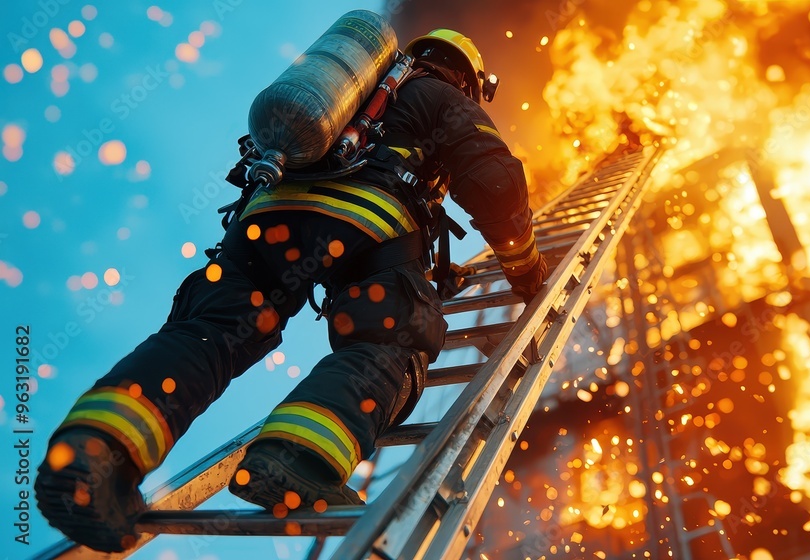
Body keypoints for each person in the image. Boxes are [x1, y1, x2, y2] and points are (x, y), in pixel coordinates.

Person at [35, 28, 548, 553]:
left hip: (261, 224)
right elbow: (495, 181)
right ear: (465, 75)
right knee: (390, 339)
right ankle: (297, 459)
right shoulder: (438, 94)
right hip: (363, 226)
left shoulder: (354, 94)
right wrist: (525, 268)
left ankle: (95, 452)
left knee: (209, 334)